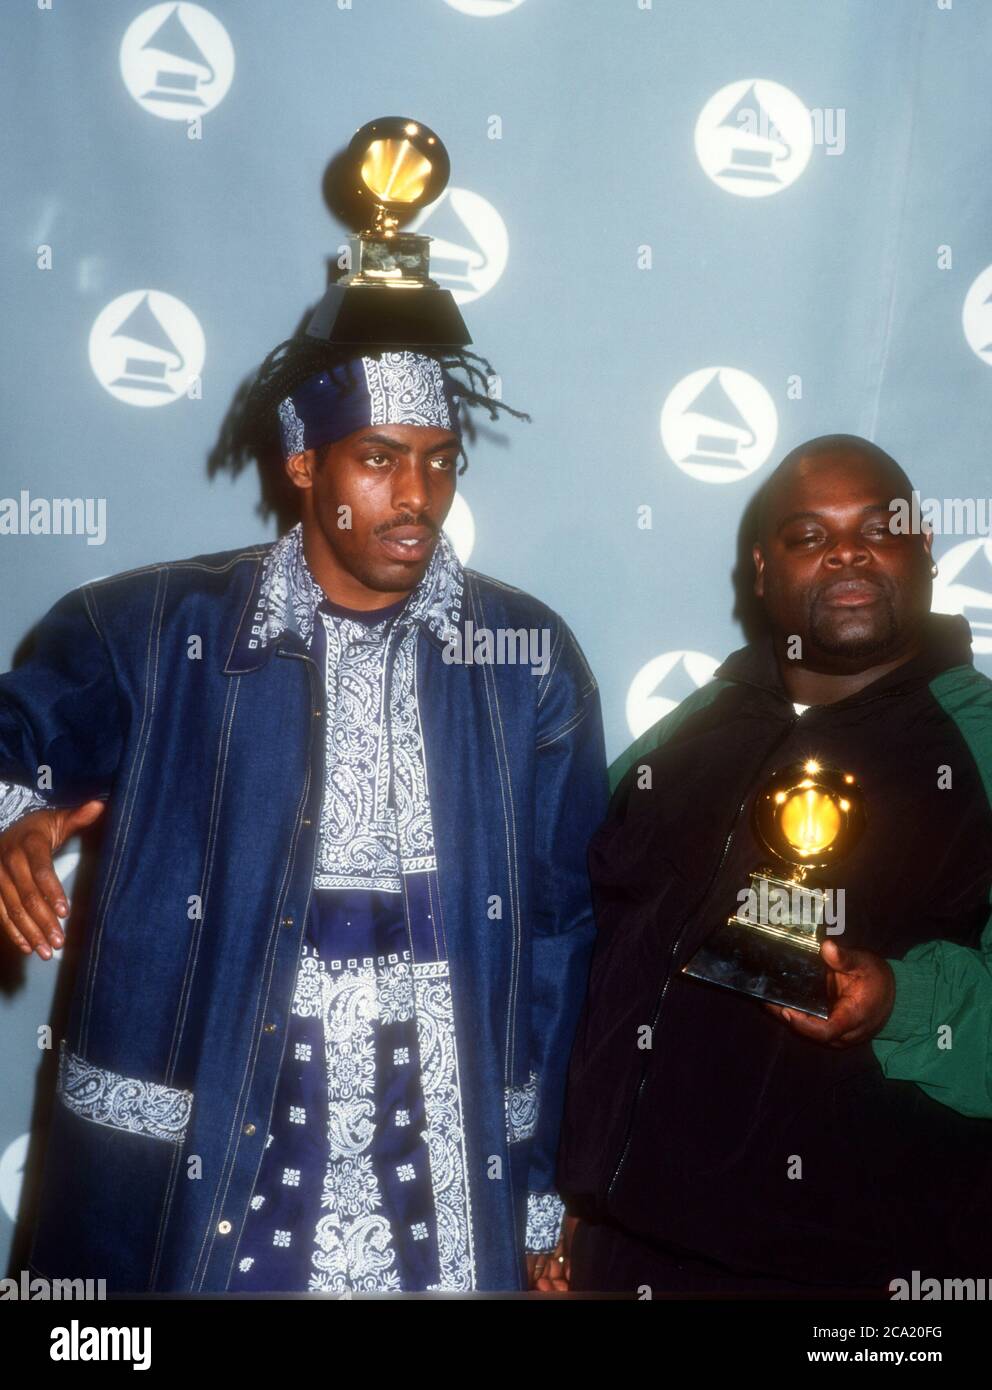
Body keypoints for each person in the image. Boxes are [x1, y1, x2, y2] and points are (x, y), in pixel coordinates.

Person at [0, 337, 606, 1294]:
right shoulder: (159, 628)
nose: (417, 495)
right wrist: (13, 820)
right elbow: (17, 733)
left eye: (439, 458)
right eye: (378, 458)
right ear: (302, 464)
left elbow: (563, 939)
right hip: (221, 1119)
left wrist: (537, 1191)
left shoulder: (524, 662)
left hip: (437, 1139)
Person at [558, 434, 992, 1296]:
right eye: (808, 535)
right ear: (762, 570)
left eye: (879, 526)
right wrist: (572, 1196)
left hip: (864, 1273)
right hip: (631, 1254)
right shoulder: (691, 729)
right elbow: (589, 944)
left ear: (925, 552)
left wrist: (904, 1003)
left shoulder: (977, 744)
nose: (846, 551)